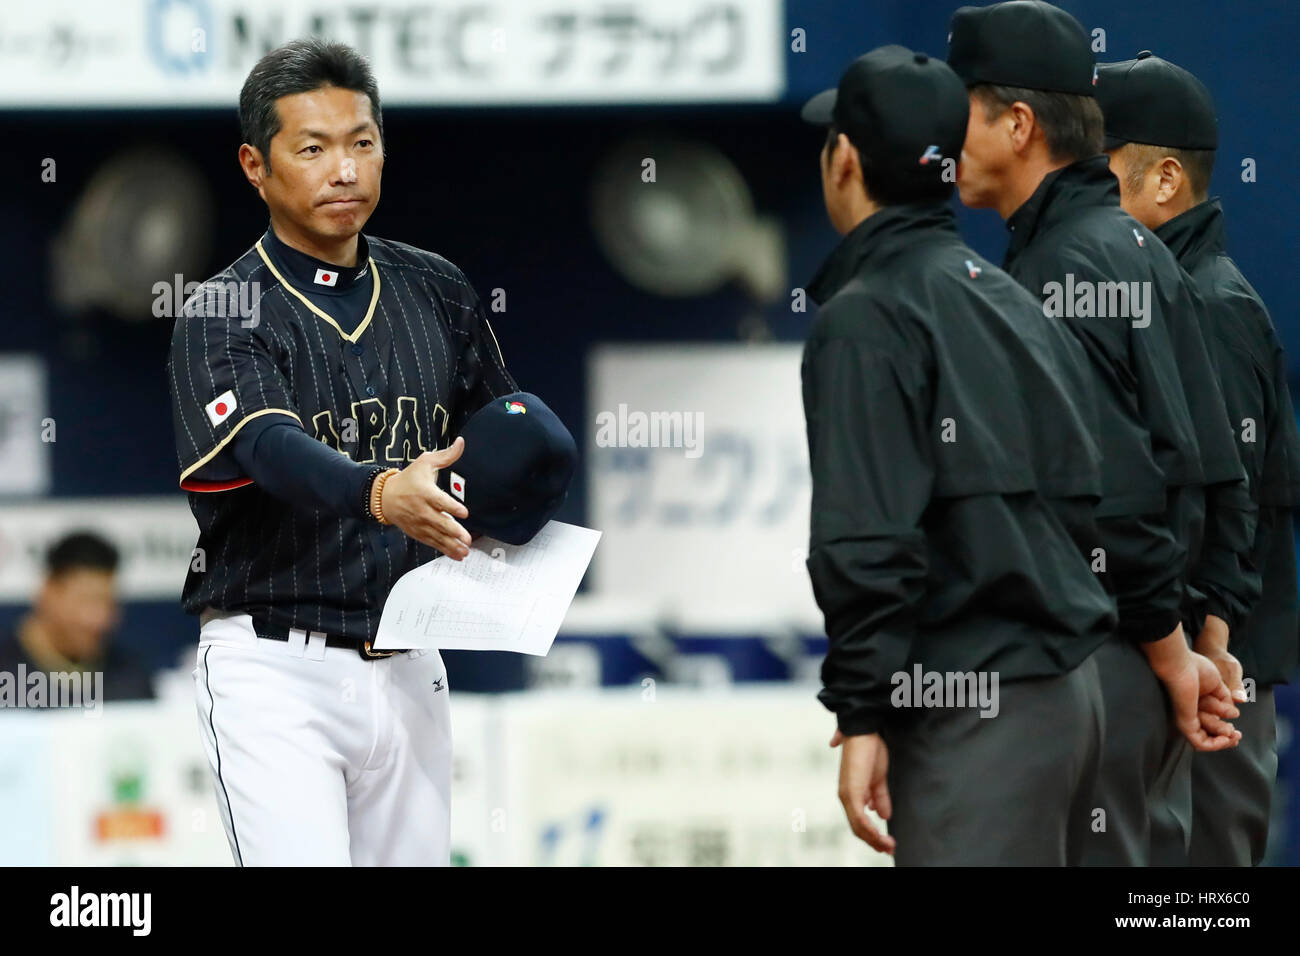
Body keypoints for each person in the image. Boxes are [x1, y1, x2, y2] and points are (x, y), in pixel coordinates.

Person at [166, 38, 532, 866]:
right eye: (313, 147)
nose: (344, 169)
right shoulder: (224, 307)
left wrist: (533, 495)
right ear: (255, 166)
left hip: (409, 660)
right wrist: (379, 493)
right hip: (274, 667)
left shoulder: (434, 287)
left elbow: (497, 435)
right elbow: (267, 446)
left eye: (362, 143)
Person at [801, 44, 1118, 865]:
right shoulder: (1005, 293)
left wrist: (861, 709)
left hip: (977, 707)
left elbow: (868, 539)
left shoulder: (866, 316)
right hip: (1070, 697)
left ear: (843, 161)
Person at [946, 0, 1243, 865]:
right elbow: (1223, 474)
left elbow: (1113, 490)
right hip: (1147, 660)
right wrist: (1201, 643)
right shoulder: (1134, 245)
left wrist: (1168, 652)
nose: (942, 137)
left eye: (959, 110)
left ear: (1020, 123)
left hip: (1109, 662)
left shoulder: (1063, 262)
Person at [1098, 51, 1300, 865]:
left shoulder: (1206, 303)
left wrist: (1210, 635)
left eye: (1096, 172)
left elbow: (1235, 501)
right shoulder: (1162, 293)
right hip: (1186, 672)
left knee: (1204, 905)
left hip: (1215, 679)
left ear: (1165, 180)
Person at [0, 531, 154, 703]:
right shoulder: (5, 673)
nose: (98, 618)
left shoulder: (129, 678)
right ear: (47, 592)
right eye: (85, 600)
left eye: (108, 603)